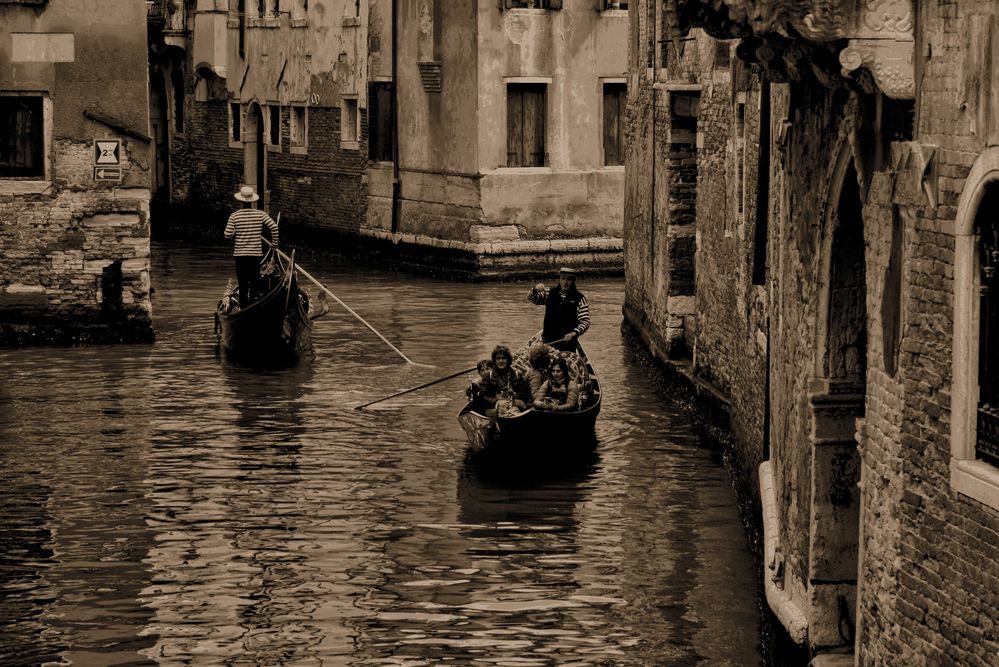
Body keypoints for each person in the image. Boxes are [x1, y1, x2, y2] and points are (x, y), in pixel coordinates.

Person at [224, 185, 279, 307]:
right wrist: (274, 245)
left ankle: (244, 309)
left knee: (243, 285)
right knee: (254, 283)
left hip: (240, 256)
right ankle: (254, 306)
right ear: (253, 201)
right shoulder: (260, 214)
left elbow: (227, 234)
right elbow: (274, 227)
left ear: (240, 201)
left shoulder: (234, 216)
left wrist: (235, 232)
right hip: (255, 255)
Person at [528, 266, 590, 352]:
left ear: (573, 281)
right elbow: (532, 299)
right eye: (563, 279)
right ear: (559, 279)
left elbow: (585, 321)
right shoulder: (549, 293)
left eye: (569, 279)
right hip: (548, 343)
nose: (565, 282)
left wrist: (574, 333)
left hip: (567, 345)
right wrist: (535, 290)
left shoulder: (579, 298)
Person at [483, 345, 530, 417]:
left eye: (503, 358)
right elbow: (482, 396)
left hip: (513, 405)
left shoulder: (517, 374)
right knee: (502, 411)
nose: (501, 361)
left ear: (508, 359)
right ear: (494, 361)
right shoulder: (488, 376)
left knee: (514, 412)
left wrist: (515, 401)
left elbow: (526, 394)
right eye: (498, 358)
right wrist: (496, 401)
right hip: (494, 408)